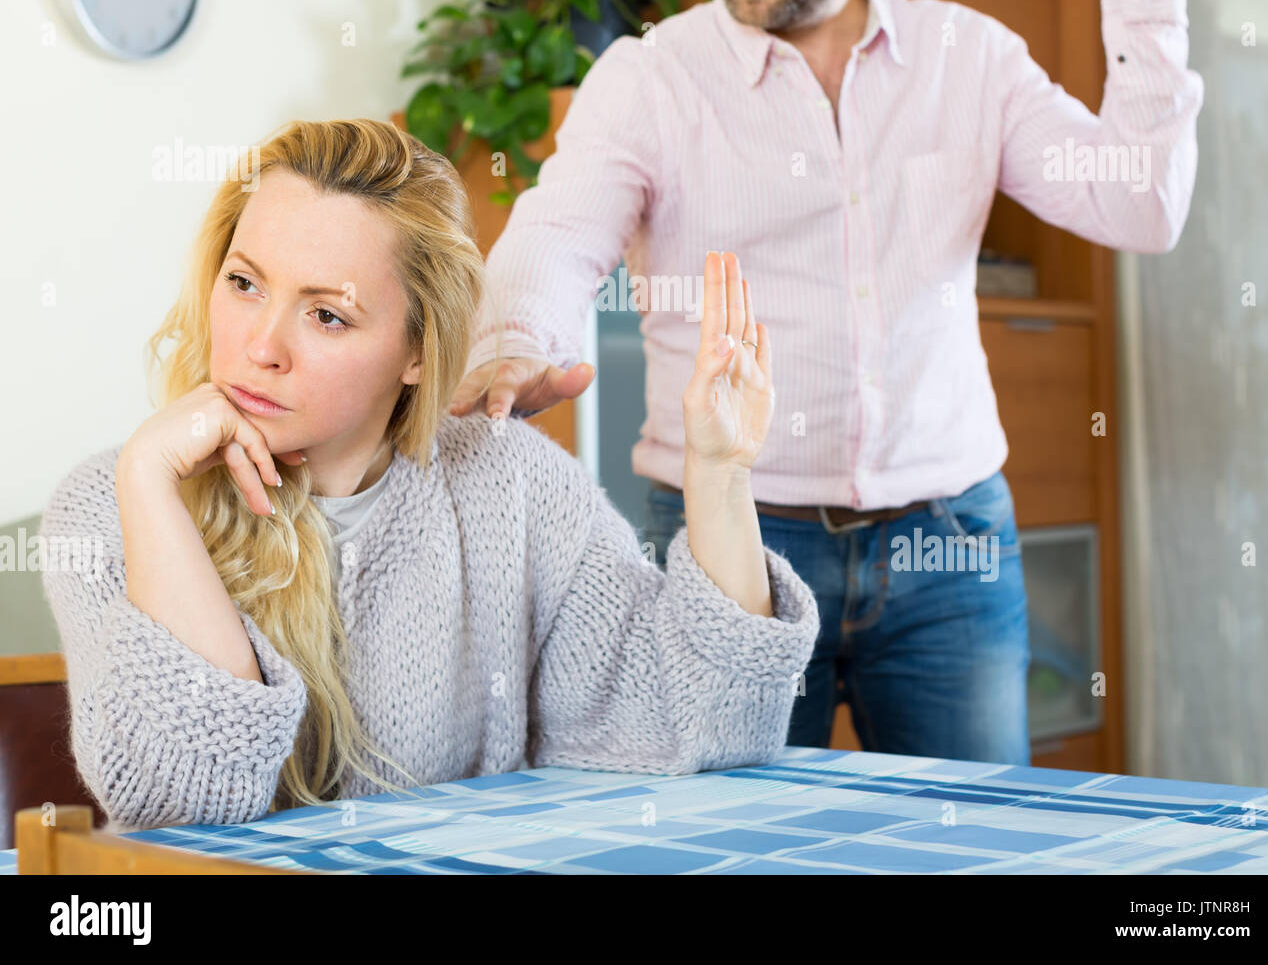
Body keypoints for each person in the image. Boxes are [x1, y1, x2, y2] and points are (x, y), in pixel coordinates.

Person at [449, 0, 1201, 764]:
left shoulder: (966, 60)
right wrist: (514, 341)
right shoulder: (651, 80)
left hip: (950, 539)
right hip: (730, 538)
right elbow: (558, 229)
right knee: (733, 846)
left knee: (972, 849)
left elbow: (1139, 203)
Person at [39, 118, 818, 832]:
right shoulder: (113, 505)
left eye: (326, 315)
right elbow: (185, 807)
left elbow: (712, 727)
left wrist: (719, 469)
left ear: (418, 352)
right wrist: (147, 478)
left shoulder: (510, 485)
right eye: (244, 284)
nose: (261, 346)